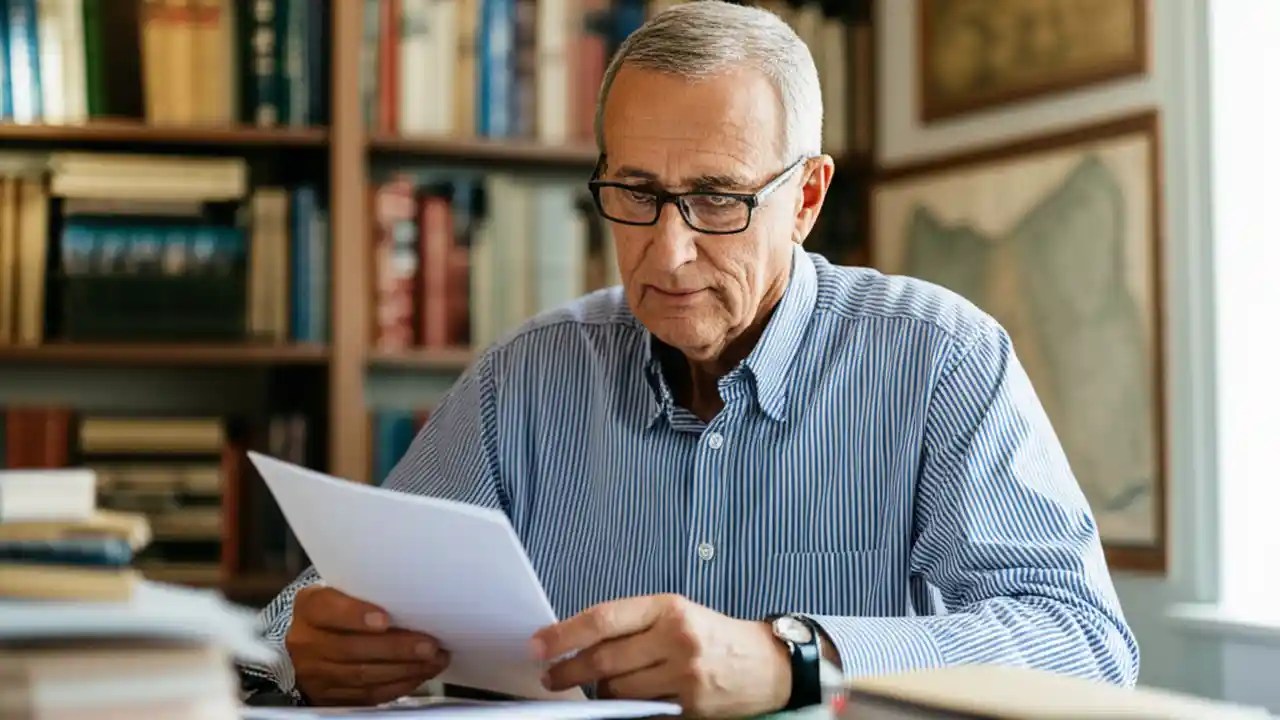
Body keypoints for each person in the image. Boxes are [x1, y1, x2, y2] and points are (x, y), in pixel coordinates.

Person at [240, 2, 1139, 716]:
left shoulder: (940, 360)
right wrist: (305, 644)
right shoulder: (526, 377)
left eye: (716, 199)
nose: (666, 252)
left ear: (806, 198)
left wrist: (796, 659)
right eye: (635, 192)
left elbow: (1084, 645)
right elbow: (331, 596)